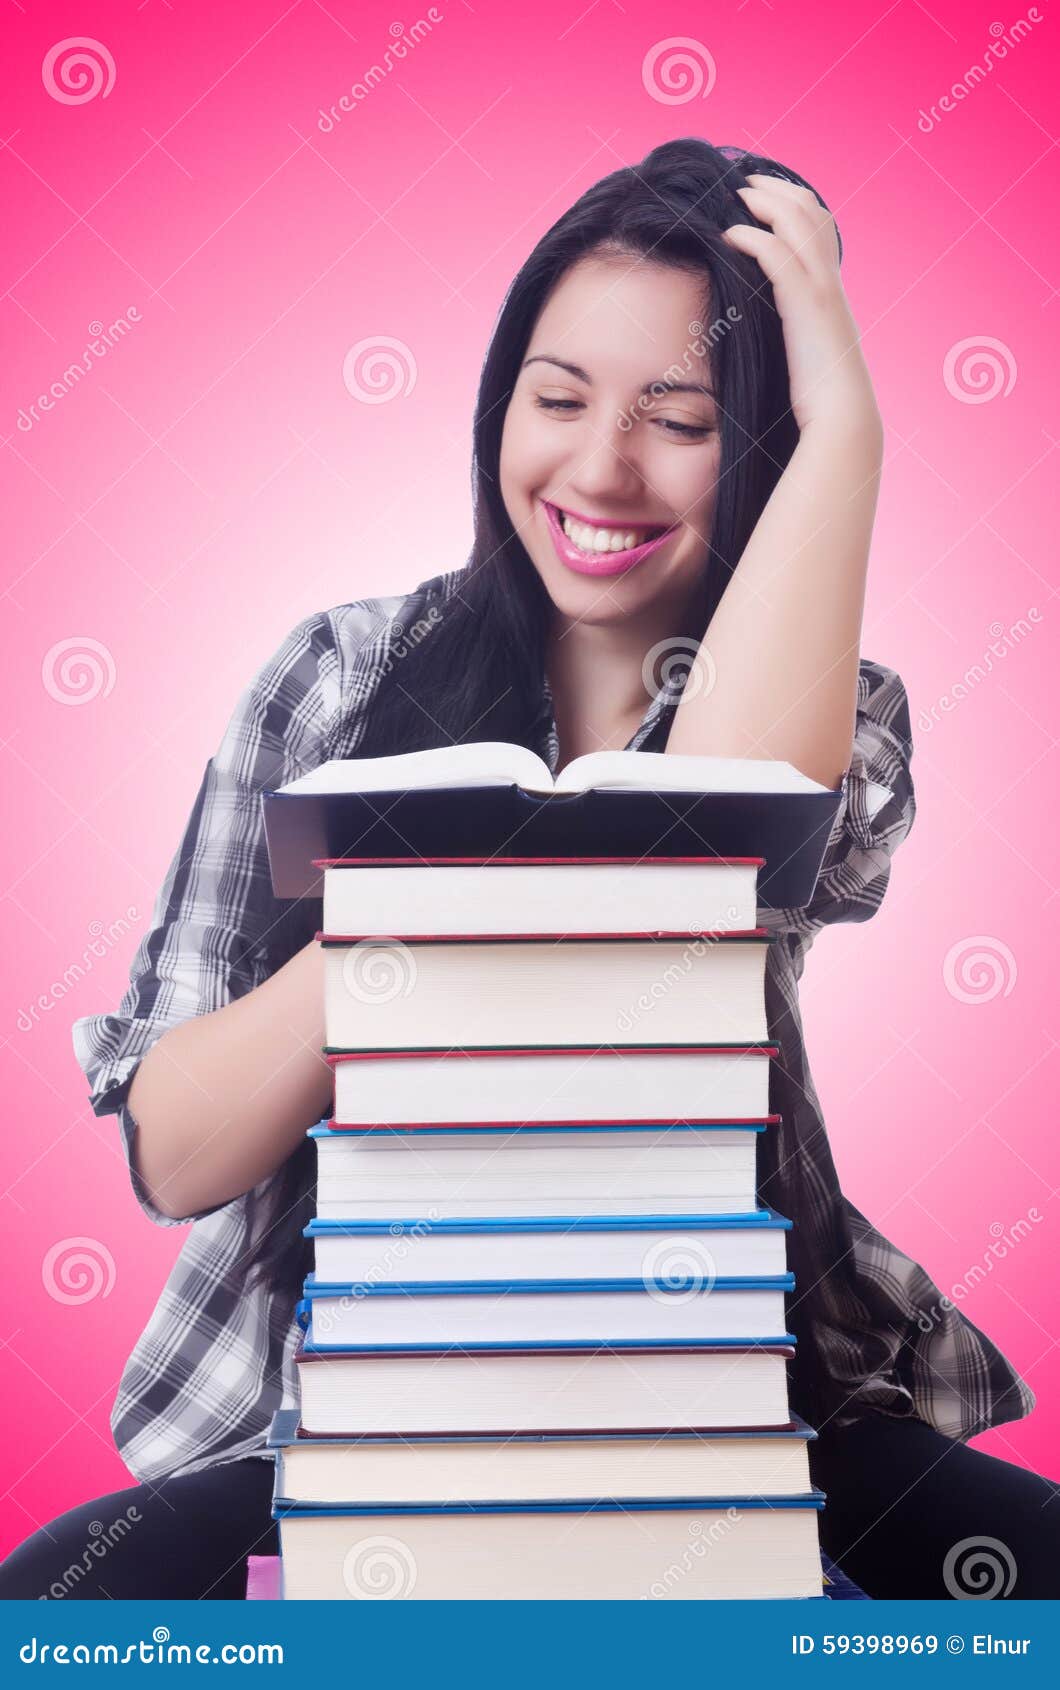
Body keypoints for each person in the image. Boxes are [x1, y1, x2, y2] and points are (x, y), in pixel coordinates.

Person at [2, 137, 1056, 1602]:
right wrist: (417, 914)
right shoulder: (336, 670)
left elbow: (715, 825)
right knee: (51, 1607)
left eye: (680, 417)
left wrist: (853, 434)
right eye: (556, 399)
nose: (600, 468)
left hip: (743, 1404)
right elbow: (176, 1152)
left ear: (764, 444)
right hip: (346, 1408)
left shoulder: (833, 702)